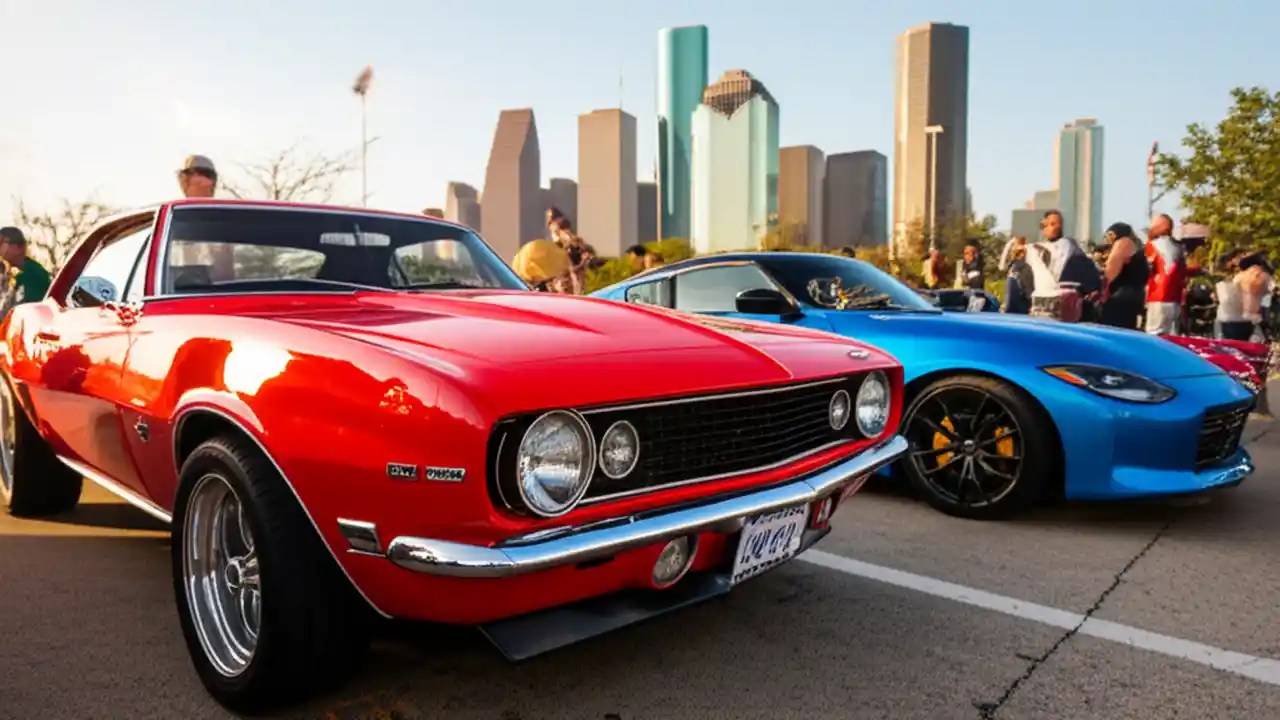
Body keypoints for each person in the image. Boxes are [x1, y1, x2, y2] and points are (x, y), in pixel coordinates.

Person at [1098, 222, 1149, 329]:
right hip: (1134, 296)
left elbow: (1111, 271)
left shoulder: (1124, 243)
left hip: (1121, 298)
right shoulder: (1137, 248)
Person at [1143, 214, 1187, 334]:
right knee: (1172, 337)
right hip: (1175, 298)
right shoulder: (1178, 248)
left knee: (1154, 334)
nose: (1150, 229)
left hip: (1157, 295)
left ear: (1163, 226)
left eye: (1153, 226)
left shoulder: (1152, 246)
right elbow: (1182, 272)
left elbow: (1147, 269)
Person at [0, 227, 53, 314]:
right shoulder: (12, 274)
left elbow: (27, 310)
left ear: (19, 247)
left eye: (1, 243)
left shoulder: (32, 274)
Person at [1001, 245, 1034, 314]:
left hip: (1009, 303)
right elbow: (1028, 286)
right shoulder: (1026, 267)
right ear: (1022, 254)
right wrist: (1030, 301)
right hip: (1021, 303)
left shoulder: (1011, 267)